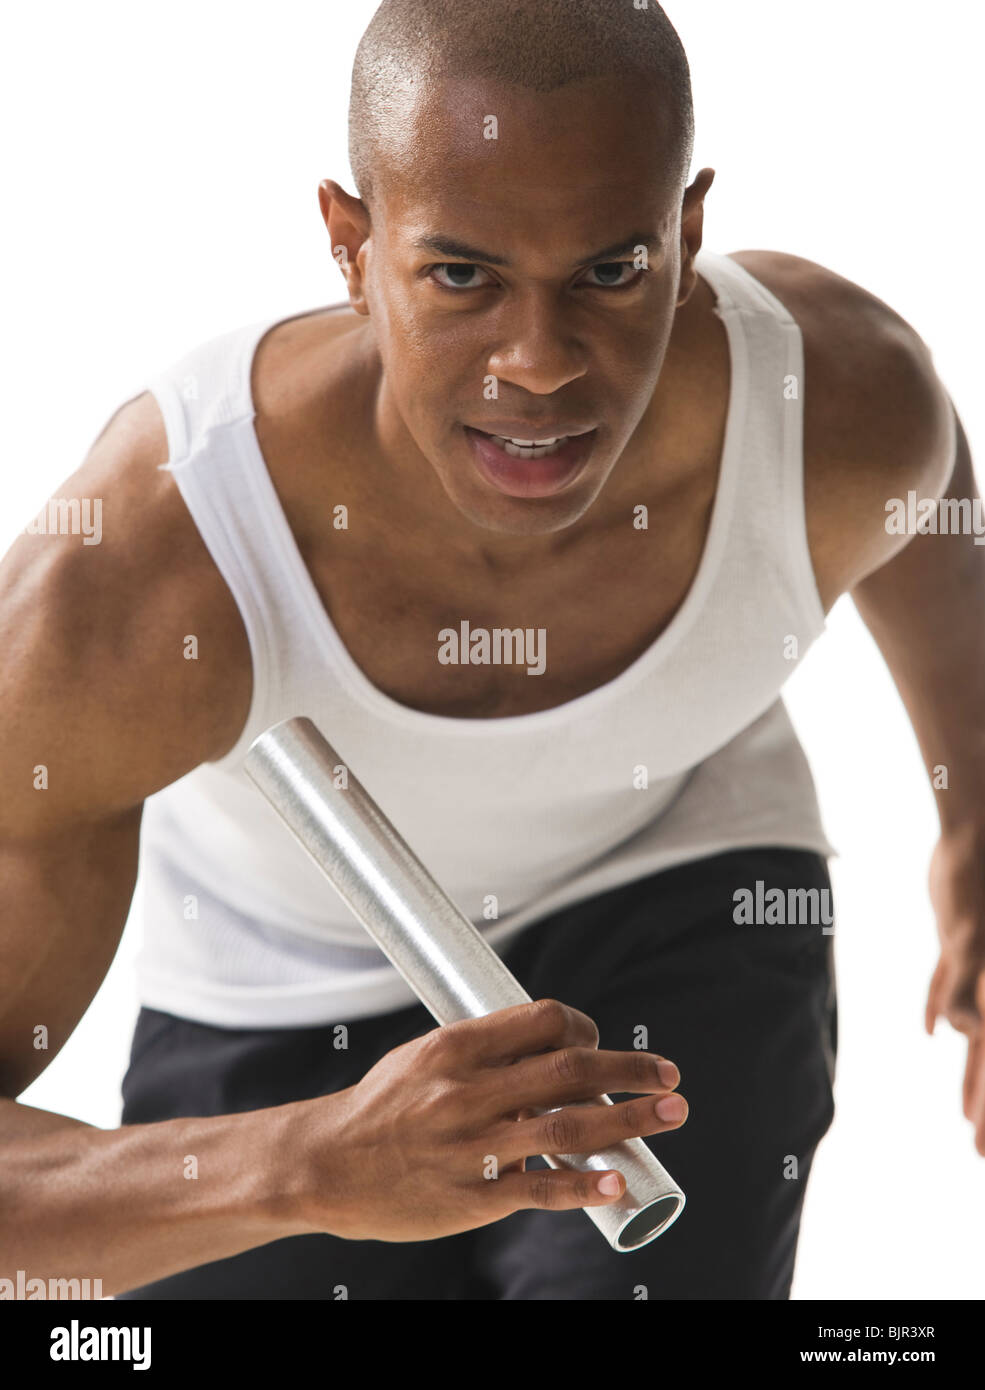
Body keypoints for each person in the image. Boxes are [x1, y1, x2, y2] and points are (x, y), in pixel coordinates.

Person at [1, 0, 981, 1301]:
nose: (537, 366)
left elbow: (935, 529)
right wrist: (305, 1162)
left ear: (685, 237)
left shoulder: (836, 404)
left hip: (673, 884)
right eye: (462, 276)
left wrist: (970, 841)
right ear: (349, 247)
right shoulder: (139, 583)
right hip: (282, 984)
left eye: (609, 272)